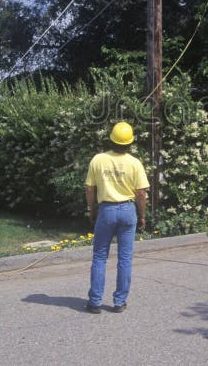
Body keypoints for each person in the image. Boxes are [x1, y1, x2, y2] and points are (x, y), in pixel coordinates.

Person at [85, 121, 149, 314]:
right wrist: (143, 216)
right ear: (130, 143)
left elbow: (89, 188)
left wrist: (92, 210)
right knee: (125, 258)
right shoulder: (135, 163)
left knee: (99, 256)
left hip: (106, 209)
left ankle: (95, 302)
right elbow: (141, 194)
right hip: (128, 211)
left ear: (111, 139)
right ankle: (119, 302)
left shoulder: (98, 159)